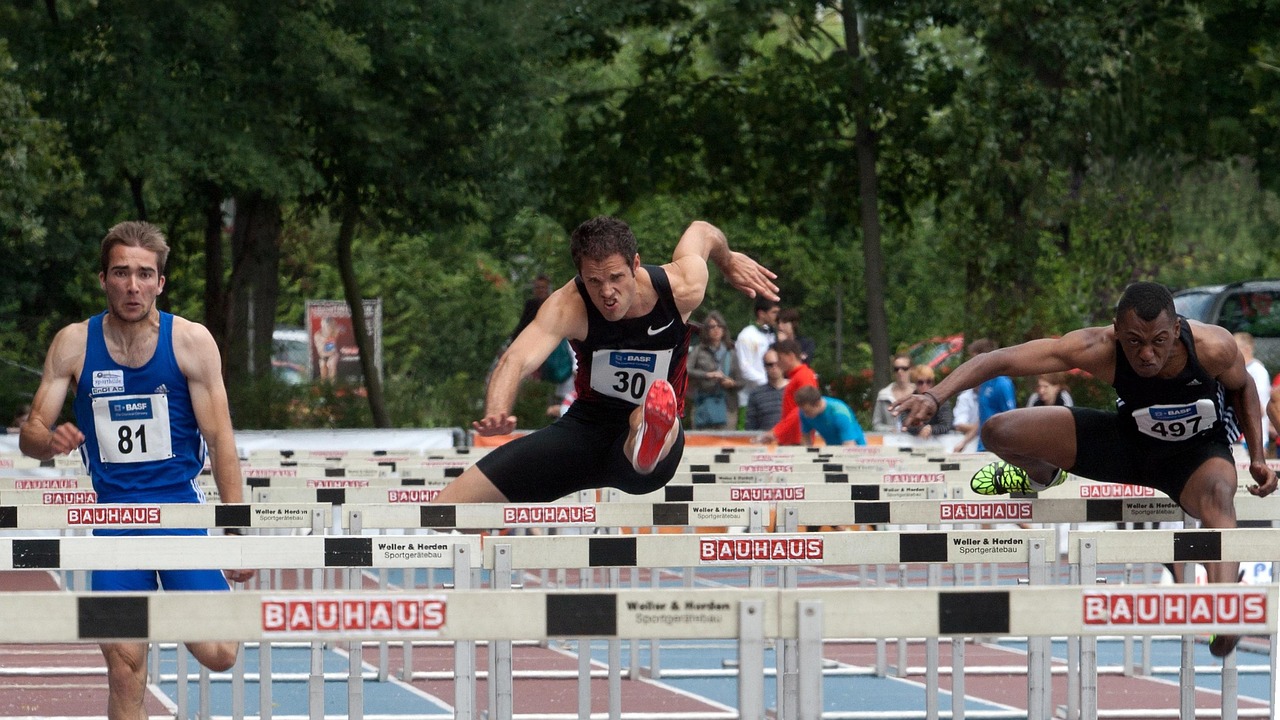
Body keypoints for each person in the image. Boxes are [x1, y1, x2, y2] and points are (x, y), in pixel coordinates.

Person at [892, 281, 1278, 657]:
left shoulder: (1212, 347)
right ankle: (1042, 474)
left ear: (1176, 329)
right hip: (1127, 447)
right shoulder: (1096, 348)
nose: (1146, 354)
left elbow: (1243, 387)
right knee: (999, 431)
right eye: (1134, 341)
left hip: (1194, 458)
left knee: (1218, 494)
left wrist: (1257, 457)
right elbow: (999, 360)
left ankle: (1224, 611)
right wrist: (933, 393)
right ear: (1116, 332)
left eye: (1159, 341)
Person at [18, 221, 253, 718]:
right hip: (113, 527)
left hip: (179, 518)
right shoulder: (73, 345)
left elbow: (221, 441)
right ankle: (135, 626)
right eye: (121, 273)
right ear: (103, 278)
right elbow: (32, 435)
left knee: (220, 653)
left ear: (160, 283)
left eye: (145, 274)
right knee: (124, 669)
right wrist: (51, 440)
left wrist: (237, 531)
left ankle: (164, 604)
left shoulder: (191, 342)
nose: (132, 286)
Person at [433, 216, 777, 504]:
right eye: (594, 281)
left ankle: (649, 435)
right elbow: (516, 359)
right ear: (581, 275)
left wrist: (728, 260)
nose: (607, 293)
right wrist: (497, 408)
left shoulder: (681, 287)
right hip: (583, 434)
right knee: (448, 509)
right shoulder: (569, 304)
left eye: (616, 278)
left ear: (636, 265)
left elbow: (702, 231)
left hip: (652, 449)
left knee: (651, 410)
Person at [753, 339, 818, 445]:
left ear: (791, 356)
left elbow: (803, 409)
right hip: (794, 440)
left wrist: (776, 432)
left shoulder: (803, 376)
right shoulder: (798, 376)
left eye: (779, 358)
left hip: (798, 440)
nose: (777, 363)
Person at [686, 310, 741, 429]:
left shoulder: (731, 353)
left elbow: (741, 381)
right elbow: (686, 370)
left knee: (726, 444)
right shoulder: (698, 350)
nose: (716, 330)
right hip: (703, 403)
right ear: (706, 330)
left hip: (727, 406)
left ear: (724, 329)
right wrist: (707, 375)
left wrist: (731, 383)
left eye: (719, 326)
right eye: (712, 327)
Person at [734, 297, 779, 418]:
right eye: (774, 312)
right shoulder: (747, 335)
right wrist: (767, 381)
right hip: (750, 397)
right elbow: (744, 368)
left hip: (773, 395)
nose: (777, 316)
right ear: (761, 313)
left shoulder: (773, 335)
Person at [1235, 332, 1272, 452]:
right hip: (1238, 435)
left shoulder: (1257, 371)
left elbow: (1260, 408)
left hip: (1251, 438)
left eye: (1235, 348)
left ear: (1246, 349)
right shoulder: (1239, 370)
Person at [794, 385, 867, 446]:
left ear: (817, 404)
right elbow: (805, 438)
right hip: (832, 448)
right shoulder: (804, 412)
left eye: (807, 411)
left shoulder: (840, 413)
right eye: (803, 411)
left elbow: (849, 443)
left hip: (855, 448)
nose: (805, 415)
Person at [905, 365, 952, 440]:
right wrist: (921, 429)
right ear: (915, 384)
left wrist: (930, 429)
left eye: (929, 382)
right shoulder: (910, 401)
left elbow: (946, 425)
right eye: (920, 382)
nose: (925, 385)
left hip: (939, 445)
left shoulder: (942, 401)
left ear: (933, 383)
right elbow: (906, 425)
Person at [744, 348, 786, 431]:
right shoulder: (755, 394)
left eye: (777, 363)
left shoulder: (796, 390)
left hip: (791, 441)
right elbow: (750, 426)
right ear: (765, 367)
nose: (774, 367)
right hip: (765, 440)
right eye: (770, 364)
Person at [871, 353, 916, 432]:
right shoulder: (883, 395)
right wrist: (890, 430)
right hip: (892, 441)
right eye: (896, 369)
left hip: (916, 441)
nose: (900, 372)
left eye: (904, 368)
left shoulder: (919, 393)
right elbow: (876, 425)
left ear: (911, 369)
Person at [511, 273, 551, 341]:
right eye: (537, 288)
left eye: (543, 287)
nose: (540, 290)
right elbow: (522, 325)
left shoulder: (554, 304)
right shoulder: (530, 305)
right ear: (534, 290)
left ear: (547, 289)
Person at [314, 315, 340, 381]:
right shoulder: (317, 335)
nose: (328, 328)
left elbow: (330, 346)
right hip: (323, 356)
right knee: (323, 375)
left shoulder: (334, 333)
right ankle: (324, 388)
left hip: (332, 355)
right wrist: (325, 339)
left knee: (331, 366)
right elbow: (321, 346)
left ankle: (332, 387)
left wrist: (331, 334)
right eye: (325, 325)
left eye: (329, 326)